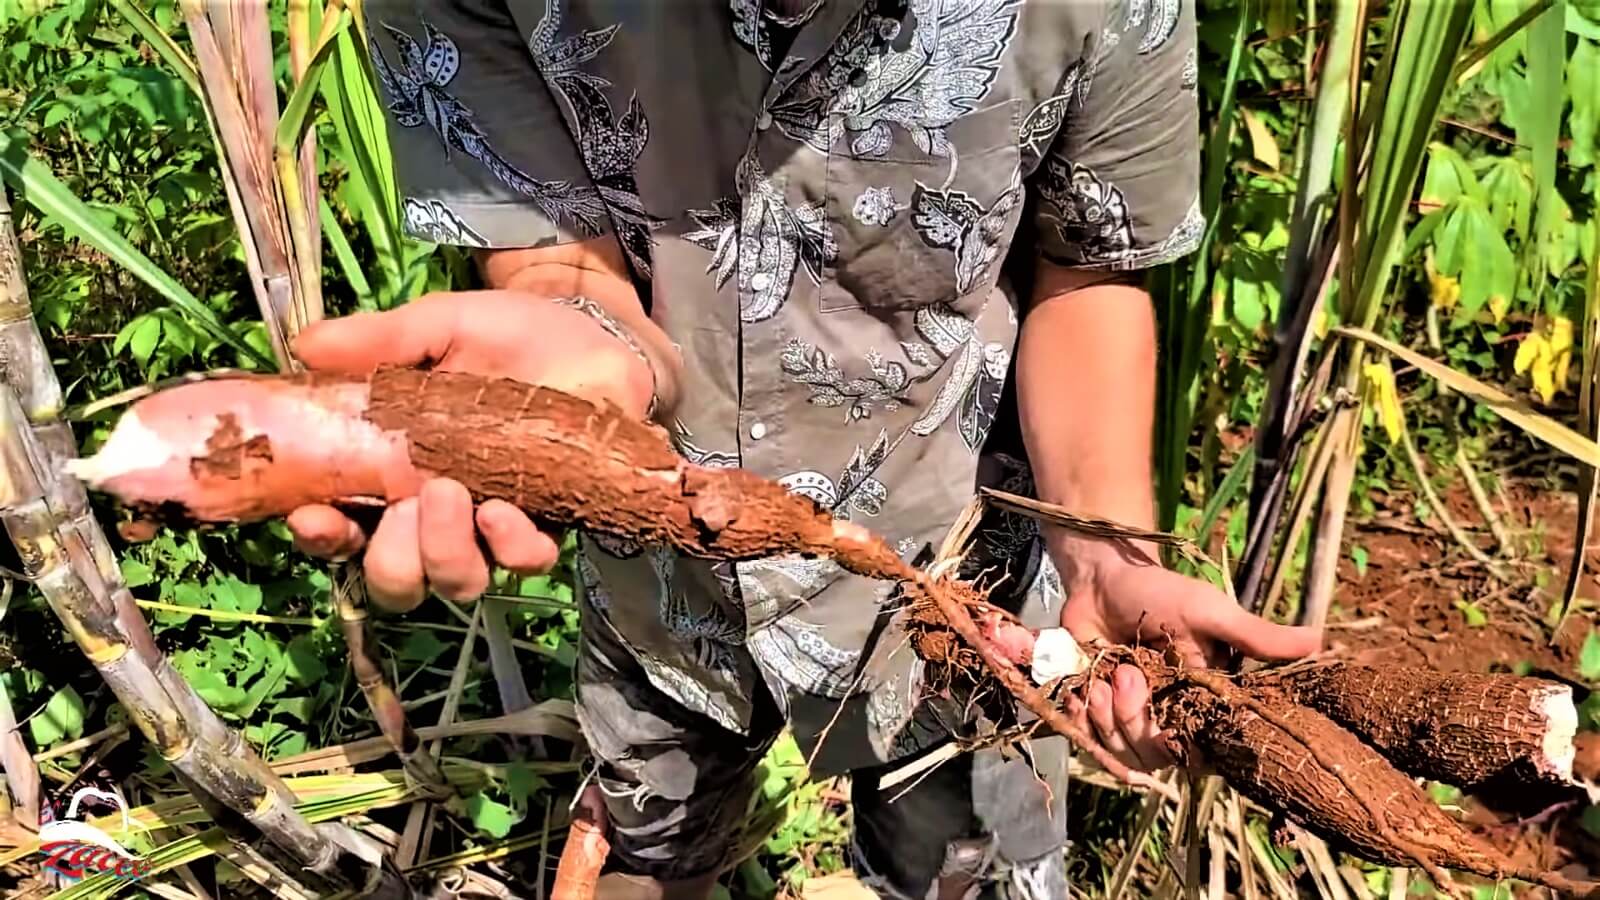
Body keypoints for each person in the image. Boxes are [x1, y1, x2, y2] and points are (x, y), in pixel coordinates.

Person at [287, 2, 1323, 898]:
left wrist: (1101, 552)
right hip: (659, 562)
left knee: (959, 857)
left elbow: (1084, 270)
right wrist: (570, 331)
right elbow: (558, 256)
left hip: (961, 581)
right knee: (651, 848)